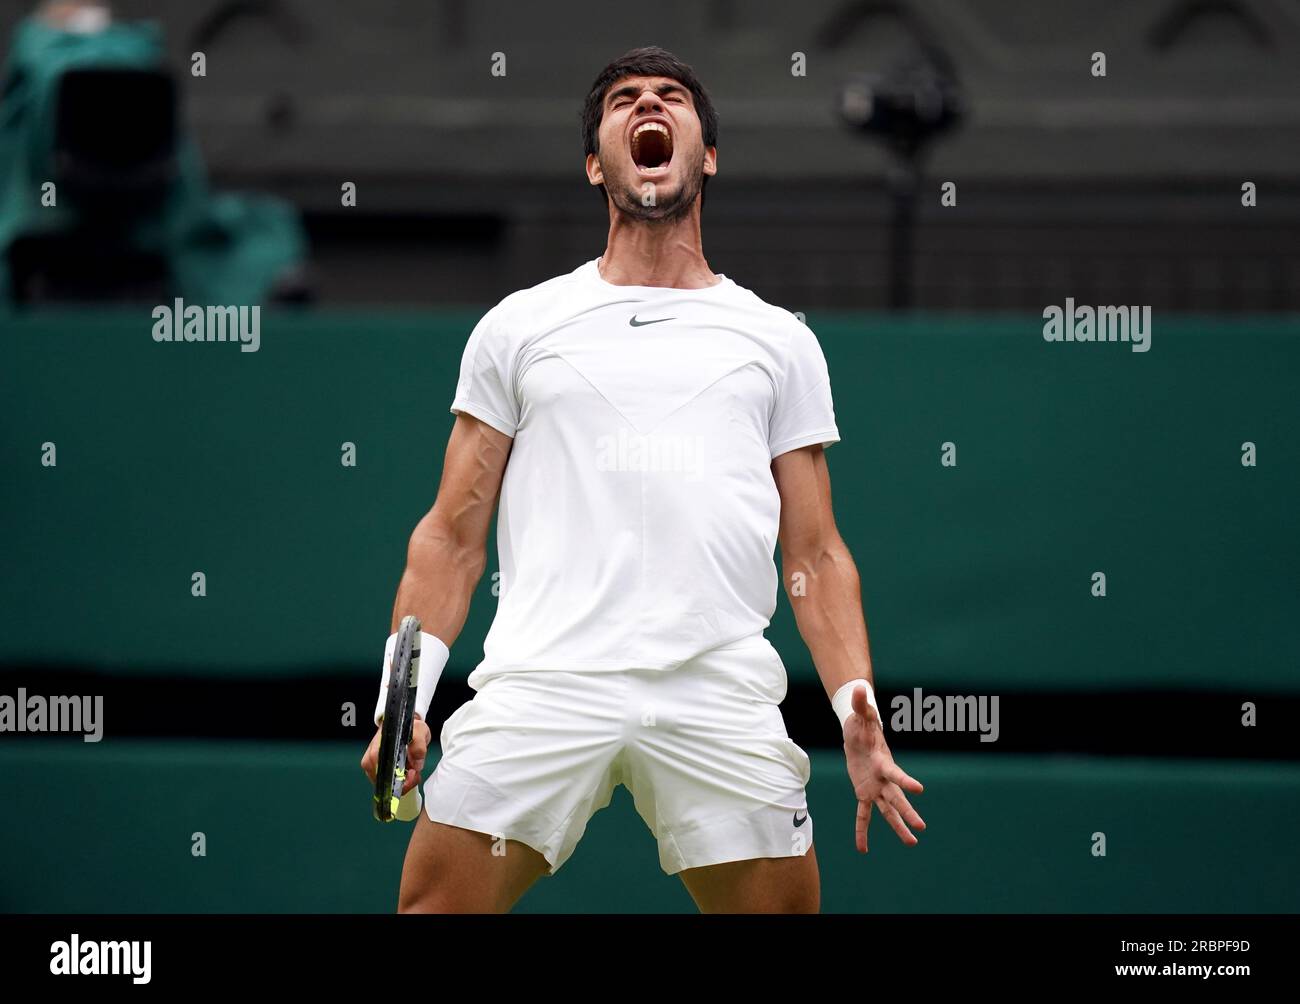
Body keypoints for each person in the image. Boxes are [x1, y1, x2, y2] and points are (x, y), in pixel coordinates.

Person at [361, 46, 925, 914]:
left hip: (715, 688)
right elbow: (449, 536)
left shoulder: (778, 341)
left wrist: (856, 701)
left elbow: (815, 553)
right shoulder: (519, 327)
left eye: (669, 98)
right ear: (597, 161)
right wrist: (403, 700)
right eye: (624, 101)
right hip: (546, 681)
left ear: (706, 155)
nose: (646, 106)